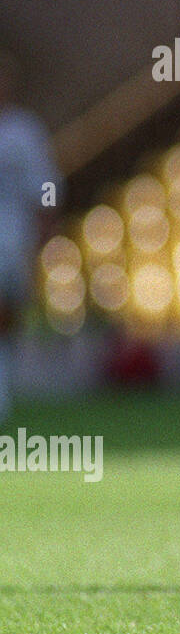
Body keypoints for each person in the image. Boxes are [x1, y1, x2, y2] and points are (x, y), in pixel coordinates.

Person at [0, 51, 60, 424]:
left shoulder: (25, 132)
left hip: (13, 239)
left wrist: (45, 232)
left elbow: (46, 187)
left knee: (9, 317)